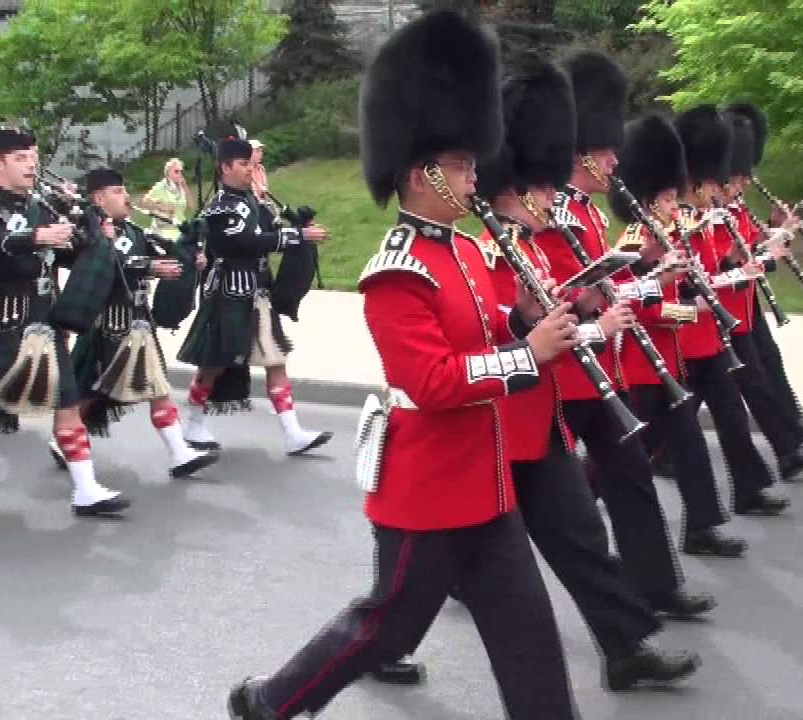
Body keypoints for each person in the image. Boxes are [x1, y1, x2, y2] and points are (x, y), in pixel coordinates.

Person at [226, 12, 584, 718]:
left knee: (529, 639)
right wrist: (526, 354)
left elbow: (492, 328)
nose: (473, 172)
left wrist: (537, 323)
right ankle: (271, 702)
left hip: (486, 483)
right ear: (422, 176)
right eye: (459, 164)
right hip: (428, 497)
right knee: (382, 628)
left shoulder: (471, 252)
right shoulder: (396, 273)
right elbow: (434, 382)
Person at [373, 57, 703, 691]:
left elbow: (524, 325)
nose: (555, 198)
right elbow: (499, 341)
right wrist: (581, 328)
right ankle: (378, 643)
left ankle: (626, 646)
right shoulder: (490, 248)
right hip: (494, 421)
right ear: (519, 186)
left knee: (581, 535)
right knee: (423, 564)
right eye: (547, 187)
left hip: (536, 422)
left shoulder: (510, 244)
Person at [532, 50, 717, 615]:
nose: (615, 159)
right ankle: (465, 574)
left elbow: (607, 288)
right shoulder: (556, 212)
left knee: (629, 479)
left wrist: (642, 281)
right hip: (568, 368)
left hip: (603, 364)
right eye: (606, 149)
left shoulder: (586, 212)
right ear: (582, 151)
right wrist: (619, 300)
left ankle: (658, 589)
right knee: (532, 498)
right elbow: (549, 293)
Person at [0, 128, 132, 517]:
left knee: (67, 404)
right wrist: (38, 237)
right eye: (20, 158)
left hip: (45, 322)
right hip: (4, 322)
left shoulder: (45, 207)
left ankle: (86, 488)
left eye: (31, 157)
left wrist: (88, 226)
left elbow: (72, 254)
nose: (31, 164)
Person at [610, 112, 749, 558]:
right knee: (616, 464)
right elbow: (641, 306)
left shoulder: (669, 234)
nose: (676, 205)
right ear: (648, 198)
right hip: (637, 367)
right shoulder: (634, 240)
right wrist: (692, 312)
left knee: (689, 447)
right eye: (668, 198)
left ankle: (702, 527)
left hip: (668, 365)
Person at [178, 137, 332, 456]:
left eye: (252, 164)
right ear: (225, 168)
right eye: (244, 164)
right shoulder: (221, 208)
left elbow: (267, 227)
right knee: (215, 364)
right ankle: (193, 422)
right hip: (229, 294)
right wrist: (296, 235)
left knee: (276, 360)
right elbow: (248, 241)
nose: (251, 170)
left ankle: (292, 433)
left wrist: (294, 219)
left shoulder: (250, 201)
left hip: (259, 294)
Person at [672, 104, 791, 516]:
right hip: (684, 342)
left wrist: (757, 255)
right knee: (658, 436)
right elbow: (679, 293)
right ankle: (589, 483)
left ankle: (744, 491)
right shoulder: (677, 224)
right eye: (716, 181)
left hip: (711, 338)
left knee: (732, 418)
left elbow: (713, 274)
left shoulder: (701, 218)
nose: (725, 188)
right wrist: (752, 268)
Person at [62, 167, 218, 478]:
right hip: (105, 326)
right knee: (90, 392)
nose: (125, 198)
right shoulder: (87, 232)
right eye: (117, 192)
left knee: (157, 387)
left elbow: (159, 254)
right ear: (99, 198)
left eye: (124, 191)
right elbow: (110, 262)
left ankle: (178, 452)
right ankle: (63, 438)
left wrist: (188, 256)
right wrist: (149, 266)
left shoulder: (133, 231)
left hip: (138, 322)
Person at [717, 110, 803, 479]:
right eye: (737, 175)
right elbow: (722, 264)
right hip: (720, 311)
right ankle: (787, 446)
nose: (745, 182)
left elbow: (752, 244)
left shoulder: (733, 206)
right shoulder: (710, 213)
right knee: (750, 382)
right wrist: (766, 254)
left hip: (743, 304)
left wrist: (776, 230)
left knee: (766, 365)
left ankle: (790, 436)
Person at [138, 157, 192, 243]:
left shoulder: (181, 186)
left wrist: (185, 187)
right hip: (165, 229)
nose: (180, 174)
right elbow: (144, 202)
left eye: (181, 171)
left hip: (180, 227)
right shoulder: (160, 186)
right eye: (176, 171)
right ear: (168, 173)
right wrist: (161, 207)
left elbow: (190, 207)